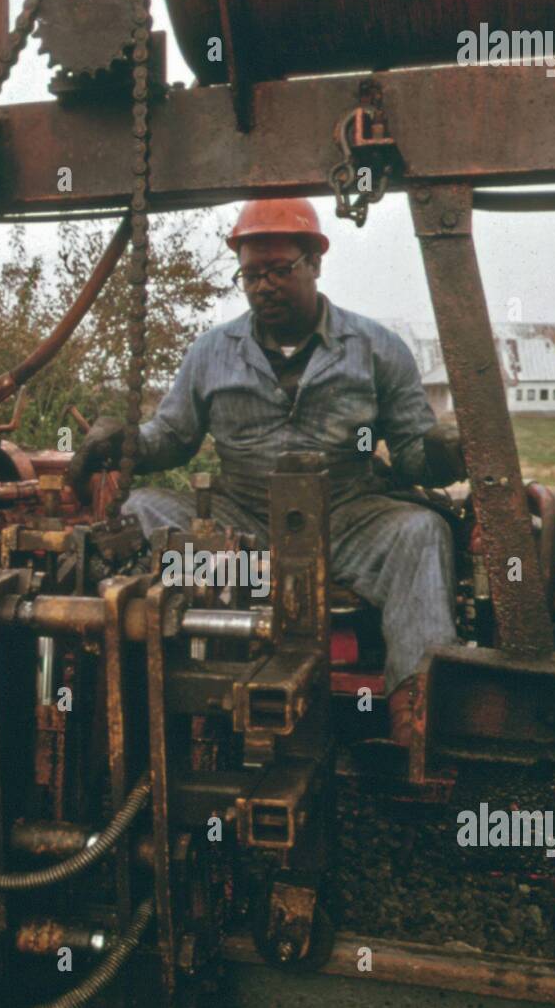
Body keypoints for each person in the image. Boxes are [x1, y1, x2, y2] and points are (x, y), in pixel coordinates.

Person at [69, 198, 467, 745]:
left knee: (422, 534)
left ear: (315, 263)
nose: (264, 286)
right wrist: (123, 442)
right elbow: (174, 438)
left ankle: (414, 725)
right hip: (241, 529)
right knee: (142, 512)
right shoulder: (211, 351)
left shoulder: (377, 349)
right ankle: (149, 707)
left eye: (280, 270)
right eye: (251, 274)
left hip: (345, 521)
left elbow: (413, 458)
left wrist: (445, 451)